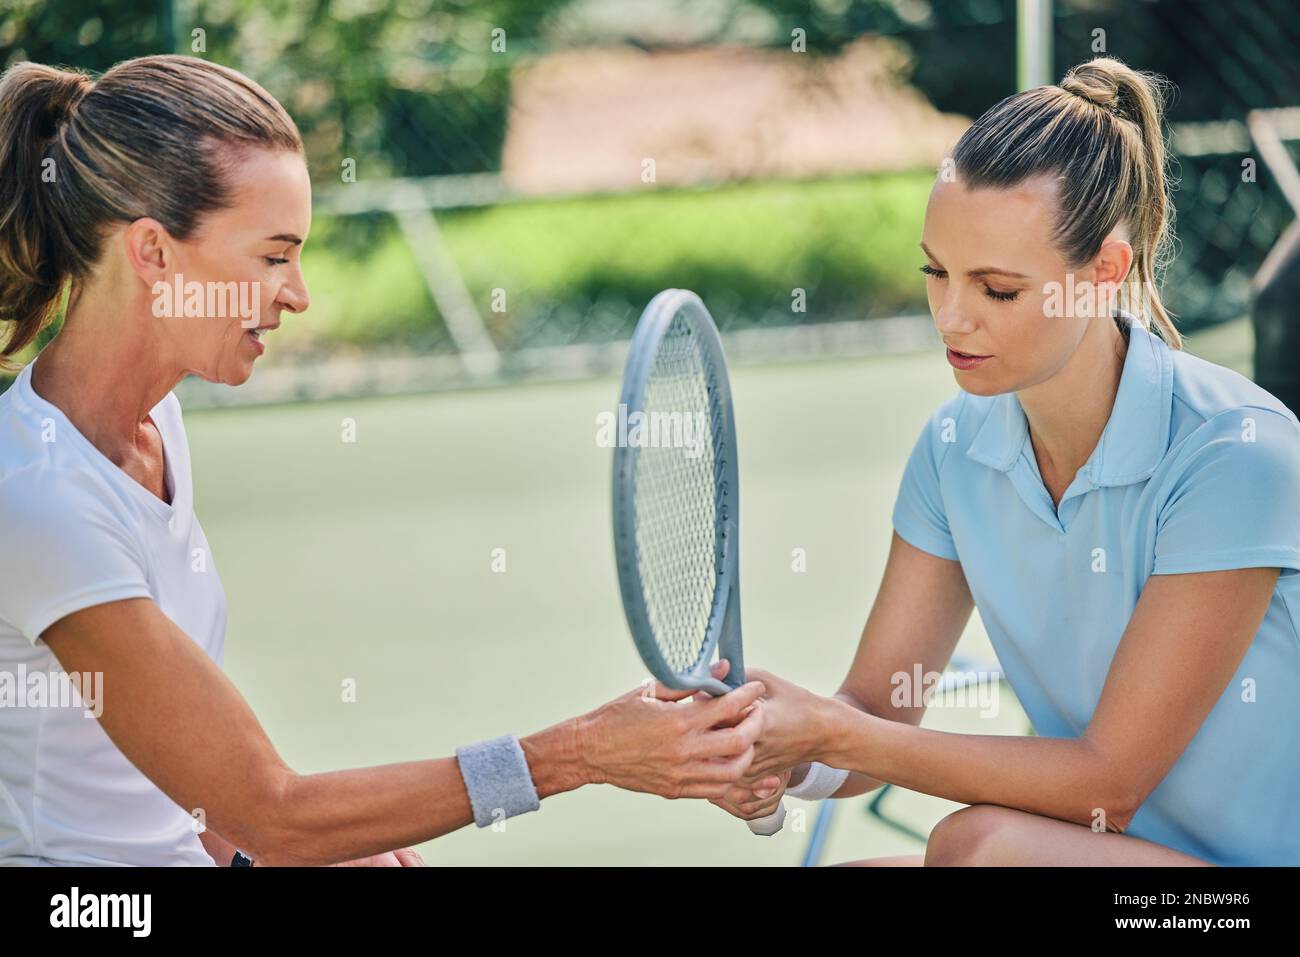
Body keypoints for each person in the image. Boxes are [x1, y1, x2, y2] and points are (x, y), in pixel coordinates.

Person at [0, 56, 765, 867]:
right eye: (272, 255)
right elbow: (272, 808)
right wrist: (583, 754)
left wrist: (293, 854)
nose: (297, 293)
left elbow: (176, 790)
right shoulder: (41, 498)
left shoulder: (154, 428)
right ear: (154, 253)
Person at [711, 57, 1300, 867]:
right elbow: (875, 709)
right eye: (936, 272)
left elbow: (1107, 785)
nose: (952, 316)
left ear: (1103, 275)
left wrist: (835, 730)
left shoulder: (1238, 454)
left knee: (982, 847)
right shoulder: (952, 450)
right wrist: (783, 755)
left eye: (997, 289)